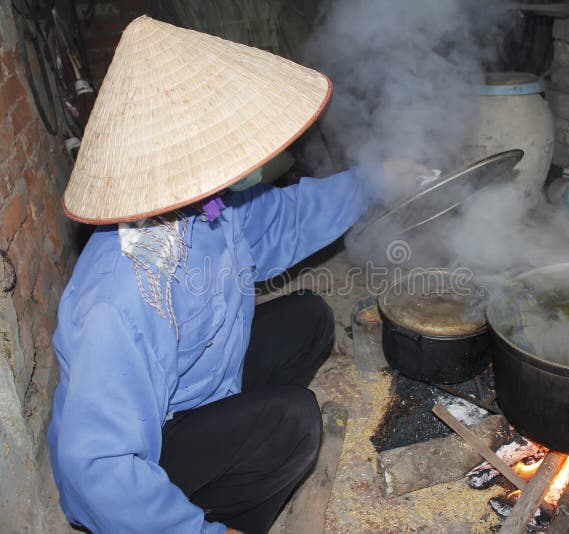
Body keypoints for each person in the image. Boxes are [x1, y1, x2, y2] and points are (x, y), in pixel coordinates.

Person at [47, 16, 405, 534]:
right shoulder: (120, 294)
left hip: (200, 394)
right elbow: (99, 470)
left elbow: (288, 220)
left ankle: (236, 449)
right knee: (295, 424)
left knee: (310, 317)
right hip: (139, 459)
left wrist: (373, 180)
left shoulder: (208, 207)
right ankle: (218, 513)